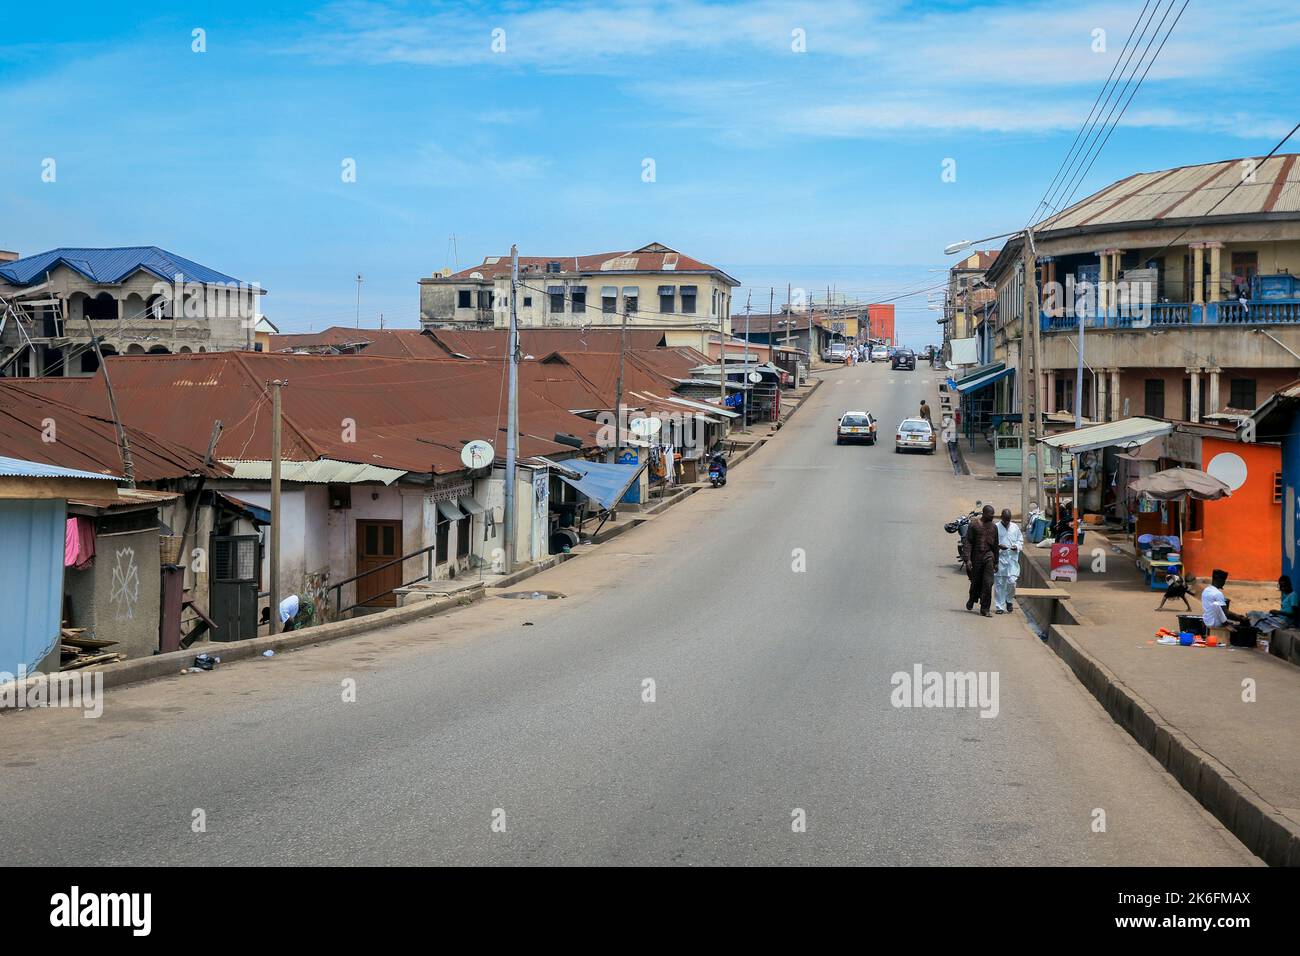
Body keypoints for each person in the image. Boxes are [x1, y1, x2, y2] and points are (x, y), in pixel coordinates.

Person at [1201, 569, 1252, 647]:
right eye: (1224, 580)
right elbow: (1225, 613)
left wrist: (1238, 616)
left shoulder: (1206, 590)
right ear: (1219, 580)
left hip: (1207, 620)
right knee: (1239, 625)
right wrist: (1240, 618)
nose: (1224, 583)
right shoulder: (1218, 594)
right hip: (1215, 623)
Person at [965, 505, 998, 617]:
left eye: (993, 515)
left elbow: (995, 546)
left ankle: (985, 608)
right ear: (984, 514)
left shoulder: (994, 527)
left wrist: (996, 562)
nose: (992, 517)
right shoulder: (974, 525)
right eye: (990, 515)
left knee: (988, 583)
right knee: (976, 582)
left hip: (989, 557)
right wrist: (968, 559)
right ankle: (972, 598)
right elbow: (968, 542)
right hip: (976, 557)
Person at [993, 508, 1023, 614]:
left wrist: (1017, 546)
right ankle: (999, 606)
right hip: (1000, 559)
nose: (1006, 522)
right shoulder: (995, 527)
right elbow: (991, 542)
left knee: (1012, 582)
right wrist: (999, 546)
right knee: (999, 584)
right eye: (1005, 519)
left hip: (1012, 560)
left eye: (1008, 520)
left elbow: (1020, 540)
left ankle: (1009, 600)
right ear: (1001, 517)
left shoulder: (1015, 527)